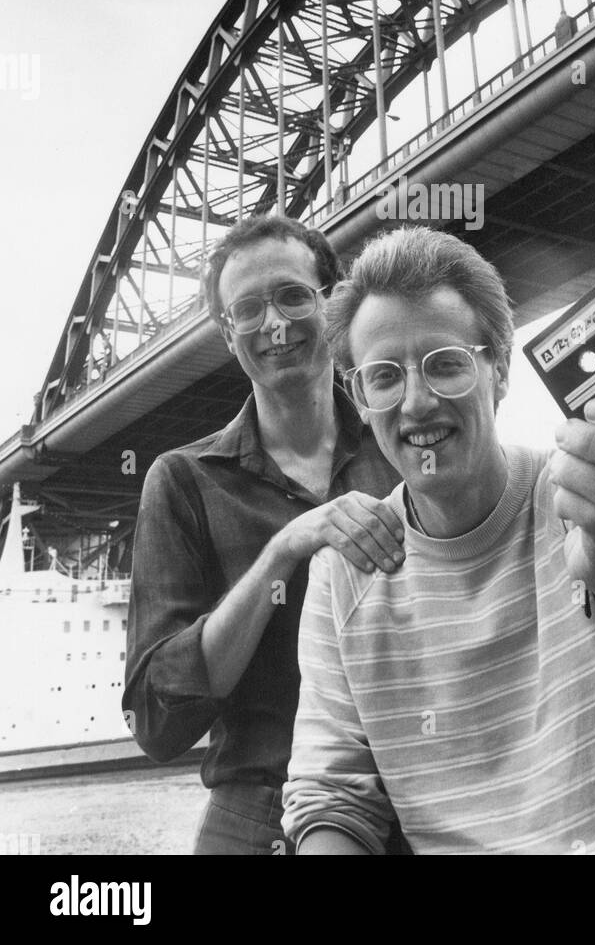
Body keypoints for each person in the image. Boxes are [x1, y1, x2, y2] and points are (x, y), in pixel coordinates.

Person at [282, 226, 595, 855]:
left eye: (445, 364)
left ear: (499, 372)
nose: (416, 403)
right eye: (384, 377)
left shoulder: (575, 493)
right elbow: (331, 795)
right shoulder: (343, 569)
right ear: (358, 398)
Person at [122, 214, 406, 855]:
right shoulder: (183, 482)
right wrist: (284, 550)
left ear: (330, 304)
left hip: (417, 806)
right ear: (227, 334)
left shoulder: (402, 440)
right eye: (247, 309)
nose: (274, 324)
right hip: (259, 821)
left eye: (292, 295)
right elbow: (157, 721)